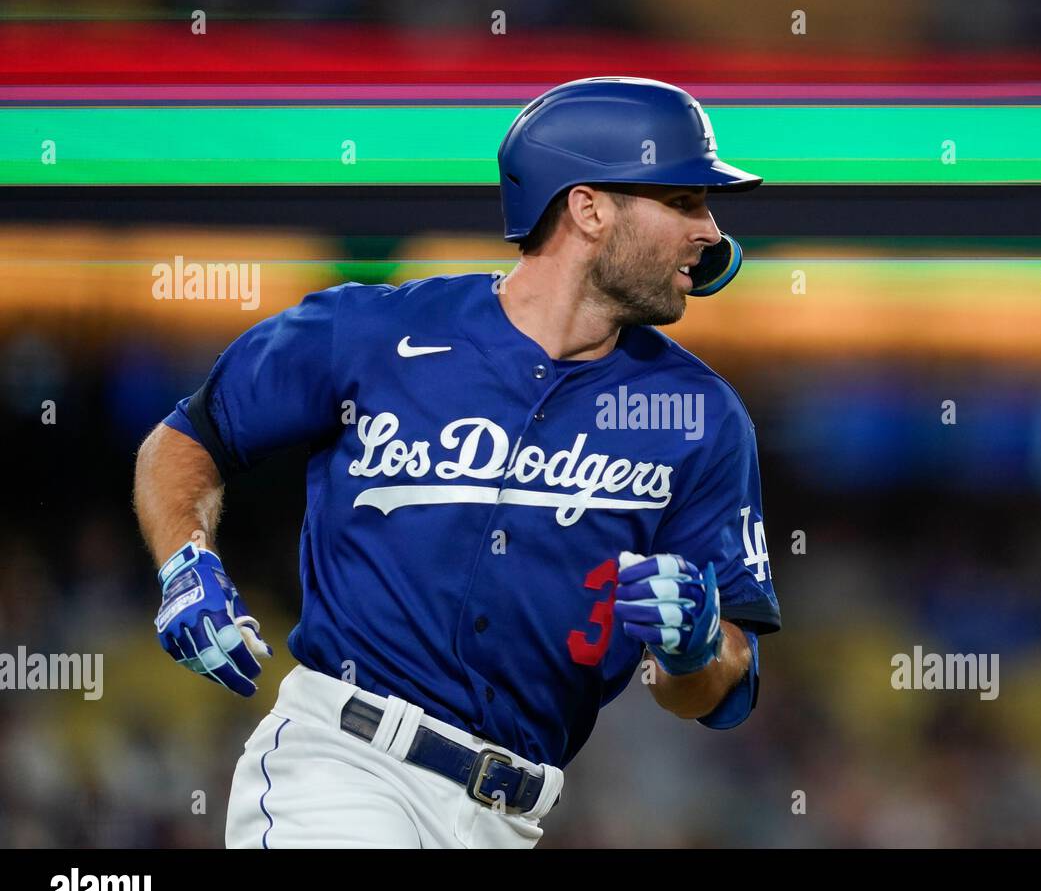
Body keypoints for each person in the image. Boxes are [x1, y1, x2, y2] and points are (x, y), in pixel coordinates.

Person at [132, 76, 780, 848]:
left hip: (512, 816)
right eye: (683, 202)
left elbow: (716, 692)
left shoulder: (701, 416)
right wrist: (184, 564)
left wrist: (698, 647)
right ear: (588, 207)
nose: (710, 230)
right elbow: (188, 438)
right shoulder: (371, 331)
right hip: (343, 772)